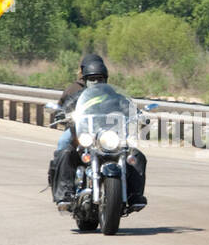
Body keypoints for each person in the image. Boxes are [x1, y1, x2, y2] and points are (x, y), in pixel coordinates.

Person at [47, 53, 146, 209]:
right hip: (85, 135)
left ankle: (135, 195)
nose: (96, 82)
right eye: (92, 79)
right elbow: (66, 107)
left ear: (105, 79)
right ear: (85, 80)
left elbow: (128, 107)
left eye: (99, 78)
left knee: (136, 156)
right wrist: (62, 113)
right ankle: (64, 194)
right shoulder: (78, 97)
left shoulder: (115, 96)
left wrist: (138, 115)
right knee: (65, 151)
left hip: (109, 137)